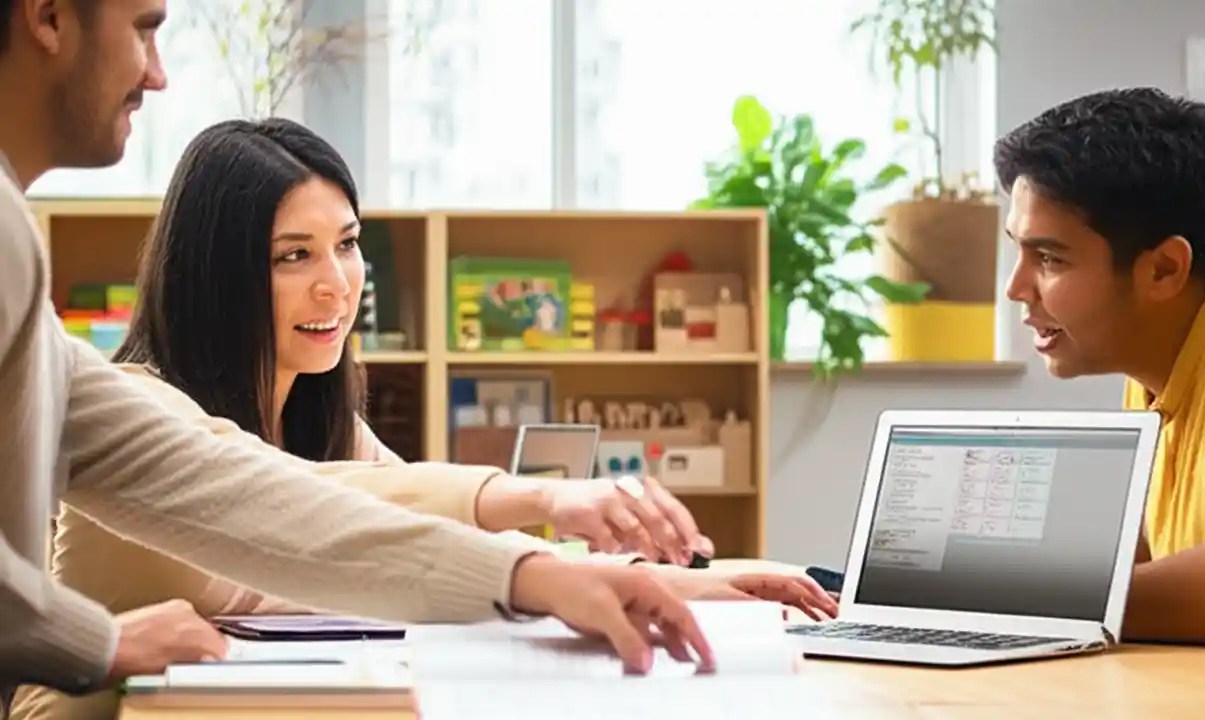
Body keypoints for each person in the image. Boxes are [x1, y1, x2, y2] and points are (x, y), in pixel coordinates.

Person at [0, 0, 716, 711]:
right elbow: (276, 512)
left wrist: (684, 584)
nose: (157, 75)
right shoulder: (105, 345)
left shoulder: (25, 265)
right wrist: (99, 643)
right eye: (145, 29)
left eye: (347, 245)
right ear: (49, 18)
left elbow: (351, 514)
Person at [997, 86, 1205, 646]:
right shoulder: (1156, 362)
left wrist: (1024, 601)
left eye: (1050, 258)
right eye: (1019, 251)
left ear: (1163, 270)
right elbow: (1148, 564)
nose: (1015, 288)